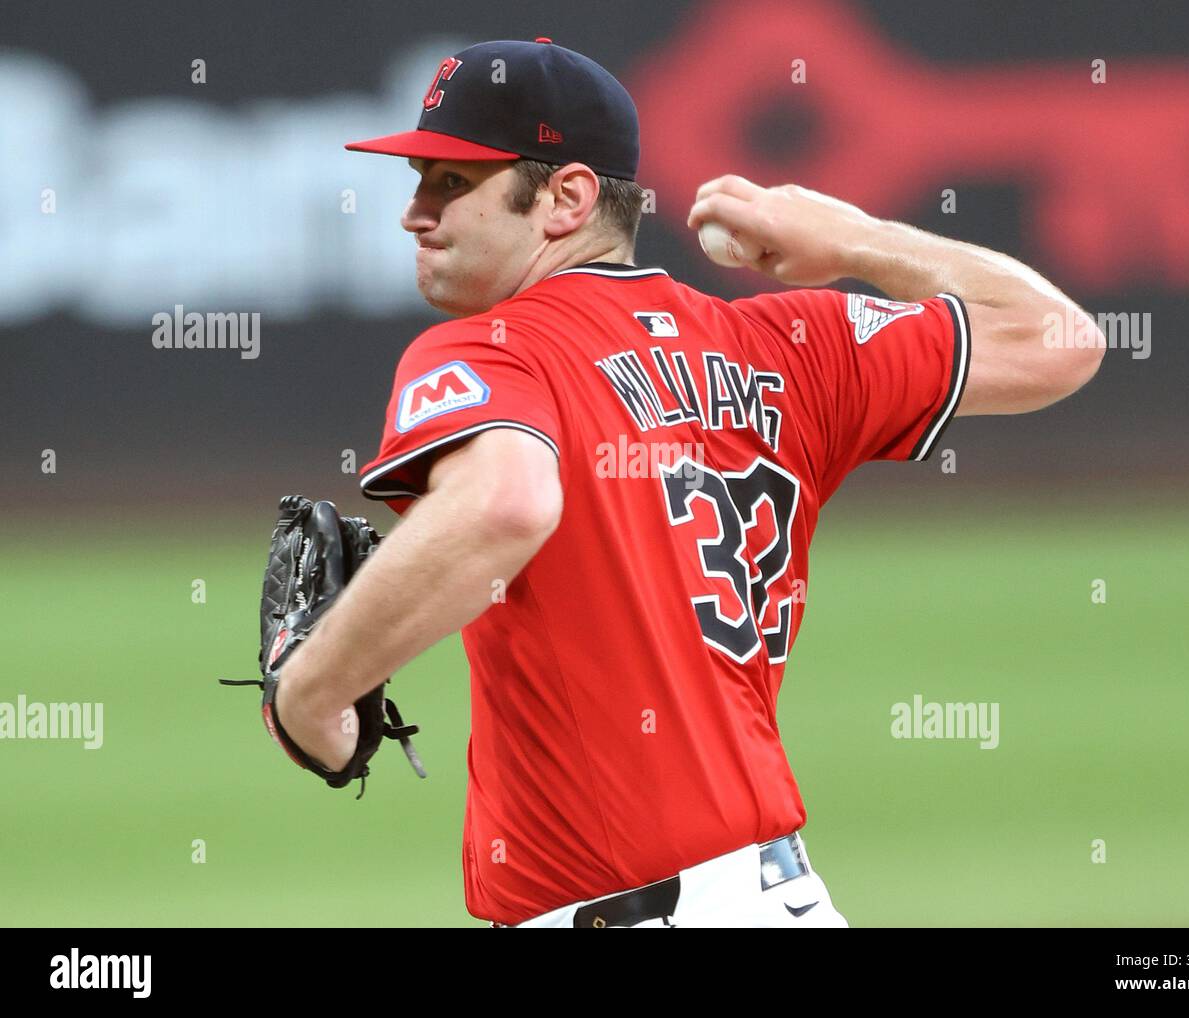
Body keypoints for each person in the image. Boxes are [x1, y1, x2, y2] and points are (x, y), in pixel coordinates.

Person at [272, 38, 1105, 928]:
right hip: (786, 900)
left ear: (567, 198)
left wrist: (310, 695)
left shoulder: (493, 349)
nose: (414, 212)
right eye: (420, 180)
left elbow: (506, 503)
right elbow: (1061, 340)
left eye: (452, 183)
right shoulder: (792, 347)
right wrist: (857, 241)